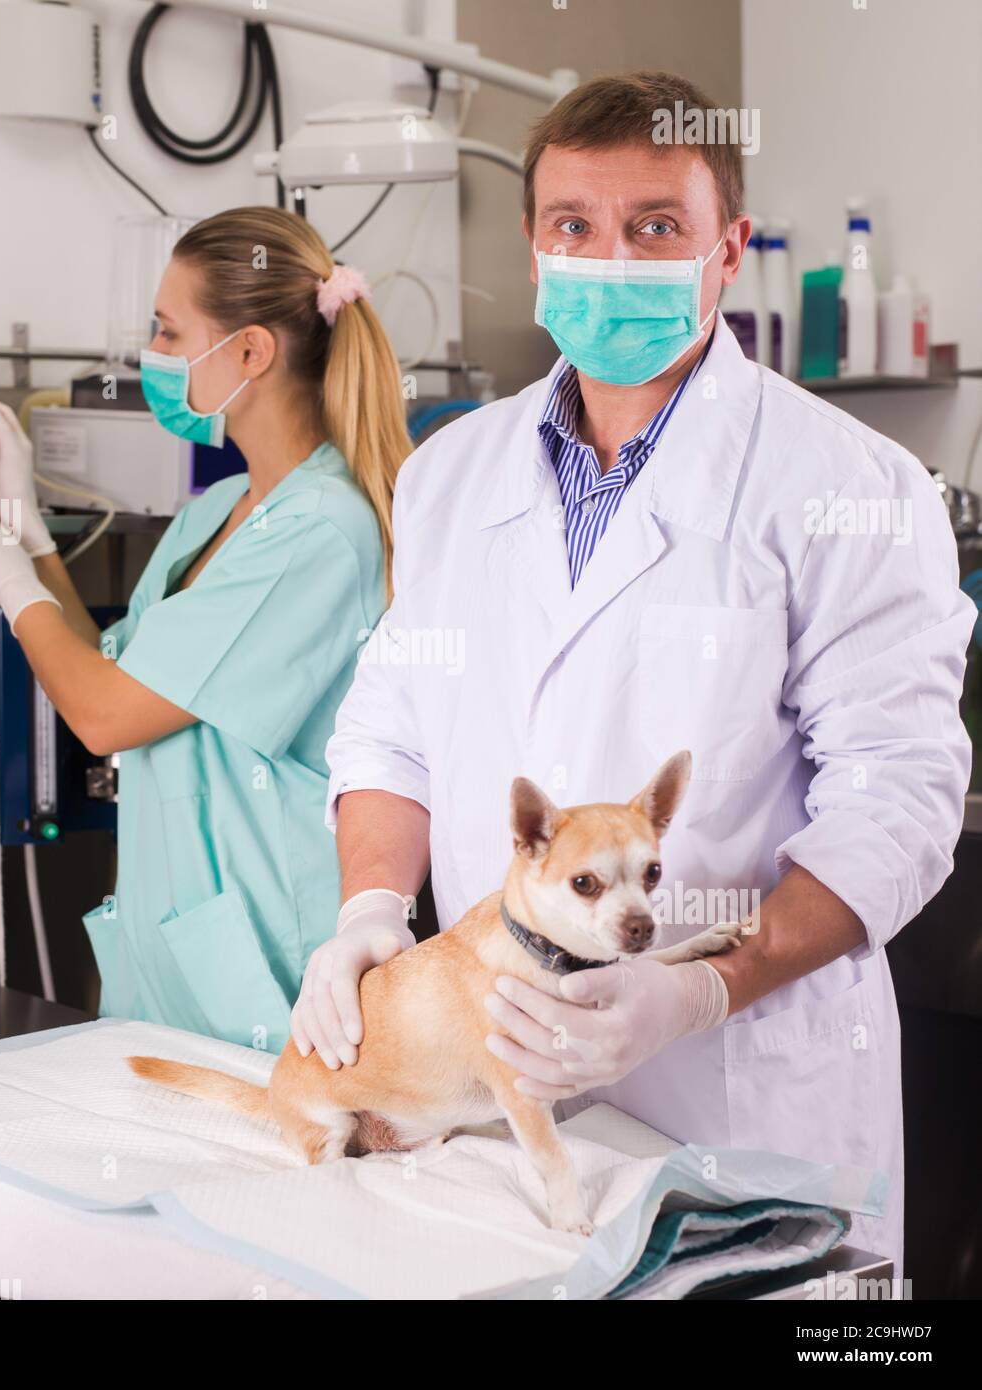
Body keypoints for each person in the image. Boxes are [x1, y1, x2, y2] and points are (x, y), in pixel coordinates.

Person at [292, 72, 975, 1274]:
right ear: (534, 245)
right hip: (494, 1090)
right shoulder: (452, 475)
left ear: (726, 251)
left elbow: (898, 805)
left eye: (655, 226)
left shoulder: (853, 486)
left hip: (743, 1099)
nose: (610, 259)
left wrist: (699, 992)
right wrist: (368, 915)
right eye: (575, 227)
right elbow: (391, 733)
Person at [0, 207, 411, 1053]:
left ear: (251, 351)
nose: (151, 356)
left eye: (167, 330)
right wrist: (33, 539)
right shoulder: (221, 512)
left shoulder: (320, 532)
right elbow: (112, 671)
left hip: (265, 962)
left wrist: (9, 582)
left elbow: (104, 716)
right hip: (179, 953)